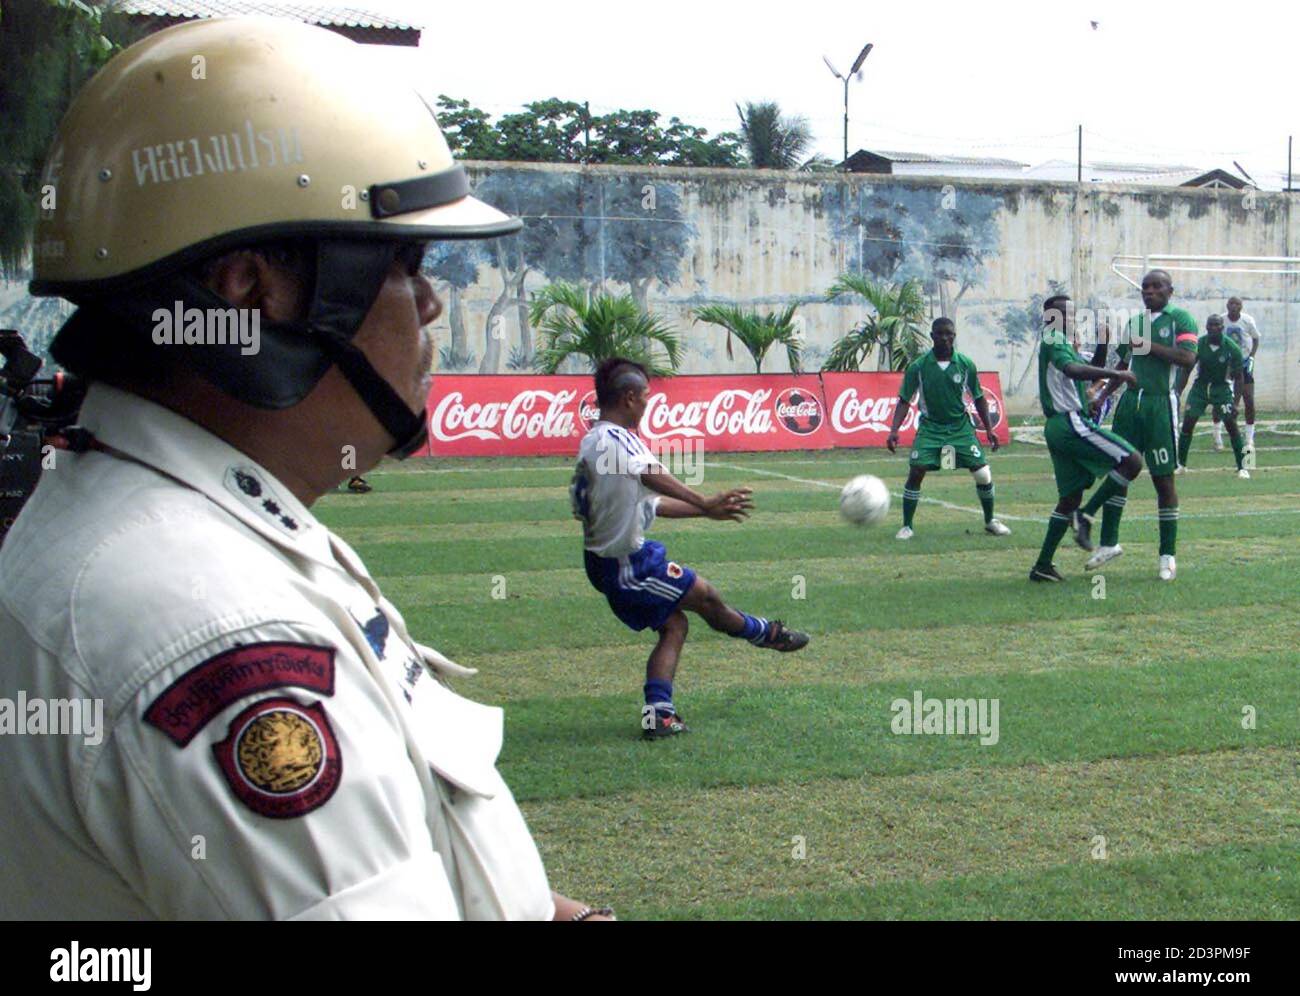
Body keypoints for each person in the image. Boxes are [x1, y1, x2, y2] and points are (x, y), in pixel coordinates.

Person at [0, 17, 611, 921]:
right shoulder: (216, 629)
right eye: (404, 260)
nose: (432, 301)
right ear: (255, 293)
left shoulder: (176, 521)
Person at [573, 358, 809, 739]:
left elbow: (649, 503)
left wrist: (705, 513)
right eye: (646, 397)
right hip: (625, 564)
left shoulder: (595, 439)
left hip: (610, 558)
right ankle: (765, 633)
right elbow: (651, 475)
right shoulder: (613, 440)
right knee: (706, 598)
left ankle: (659, 714)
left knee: (674, 624)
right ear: (629, 398)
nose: (649, 404)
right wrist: (705, 500)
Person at [1072, 271, 1197, 581]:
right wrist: (1102, 395)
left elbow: (1187, 358)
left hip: (1159, 405)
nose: (1150, 291)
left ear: (1170, 289)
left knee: (1163, 481)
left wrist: (1149, 345)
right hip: (1130, 405)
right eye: (1145, 287)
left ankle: (1167, 555)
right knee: (1121, 470)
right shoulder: (1135, 322)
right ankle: (1109, 543)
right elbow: (1124, 366)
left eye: (1157, 287)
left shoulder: (1181, 319)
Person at [1030, 295, 1142, 582]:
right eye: (1065, 314)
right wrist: (1118, 373)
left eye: (1072, 314)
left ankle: (1043, 565)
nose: (1071, 319)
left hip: (1059, 425)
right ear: (1051, 318)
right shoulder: (1054, 338)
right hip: (1070, 423)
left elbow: (1083, 373)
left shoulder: (1061, 341)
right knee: (1131, 461)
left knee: (1068, 499)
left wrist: (1103, 346)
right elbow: (1073, 370)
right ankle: (1087, 515)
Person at [885, 318, 1009, 540]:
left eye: (949, 334)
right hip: (931, 429)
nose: (944, 338)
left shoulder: (965, 364)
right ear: (932, 336)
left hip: (960, 428)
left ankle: (990, 520)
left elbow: (979, 398)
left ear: (954, 336)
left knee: (982, 473)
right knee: (916, 471)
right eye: (940, 334)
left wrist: (989, 429)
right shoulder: (919, 367)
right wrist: (894, 430)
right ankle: (907, 526)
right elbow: (905, 399)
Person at [1175, 314, 1248, 478]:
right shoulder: (1199, 344)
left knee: (1231, 424)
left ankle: (1243, 467)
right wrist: (1177, 392)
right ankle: (1181, 465)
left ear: (1222, 328)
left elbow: (1239, 376)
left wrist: (1236, 402)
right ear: (1206, 327)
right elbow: (1187, 369)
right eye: (1210, 325)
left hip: (1221, 388)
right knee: (1188, 422)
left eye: (1217, 325)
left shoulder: (1232, 348)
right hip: (1201, 387)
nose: (1213, 328)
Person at [1218, 297, 1261, 450]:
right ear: (1227, 305)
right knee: (1221, 399)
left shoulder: (1248, 320)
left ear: (1241, 307)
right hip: (1226, 365)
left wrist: (1251, 357)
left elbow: (1256, 339)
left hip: (1243, 363)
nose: (1234, 306)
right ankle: (1217, 438)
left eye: (1237, 304)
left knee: (1248, 399)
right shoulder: (1221, 320)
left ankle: (1249, 439)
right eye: (1231, 303)